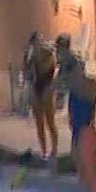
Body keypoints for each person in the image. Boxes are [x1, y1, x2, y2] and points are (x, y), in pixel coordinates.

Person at [61, 58, 96, 192]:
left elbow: (87, 93)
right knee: (83, 173)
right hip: (77, 132)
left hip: (87, 131)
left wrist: (72, 78)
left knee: (90, 173)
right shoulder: (72, 86)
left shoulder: (89, 84)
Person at [24, 32, 59, 160]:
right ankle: (44, 151)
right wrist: (30, 62)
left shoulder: (48, 53)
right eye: (35, 42)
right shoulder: (29, 55)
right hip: (35, 87)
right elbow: (27, 73)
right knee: (39, 122)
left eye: (39, 41)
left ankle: (54, 150)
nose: (37, 44)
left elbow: (51, 68)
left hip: (47, 86)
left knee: (50, 121)